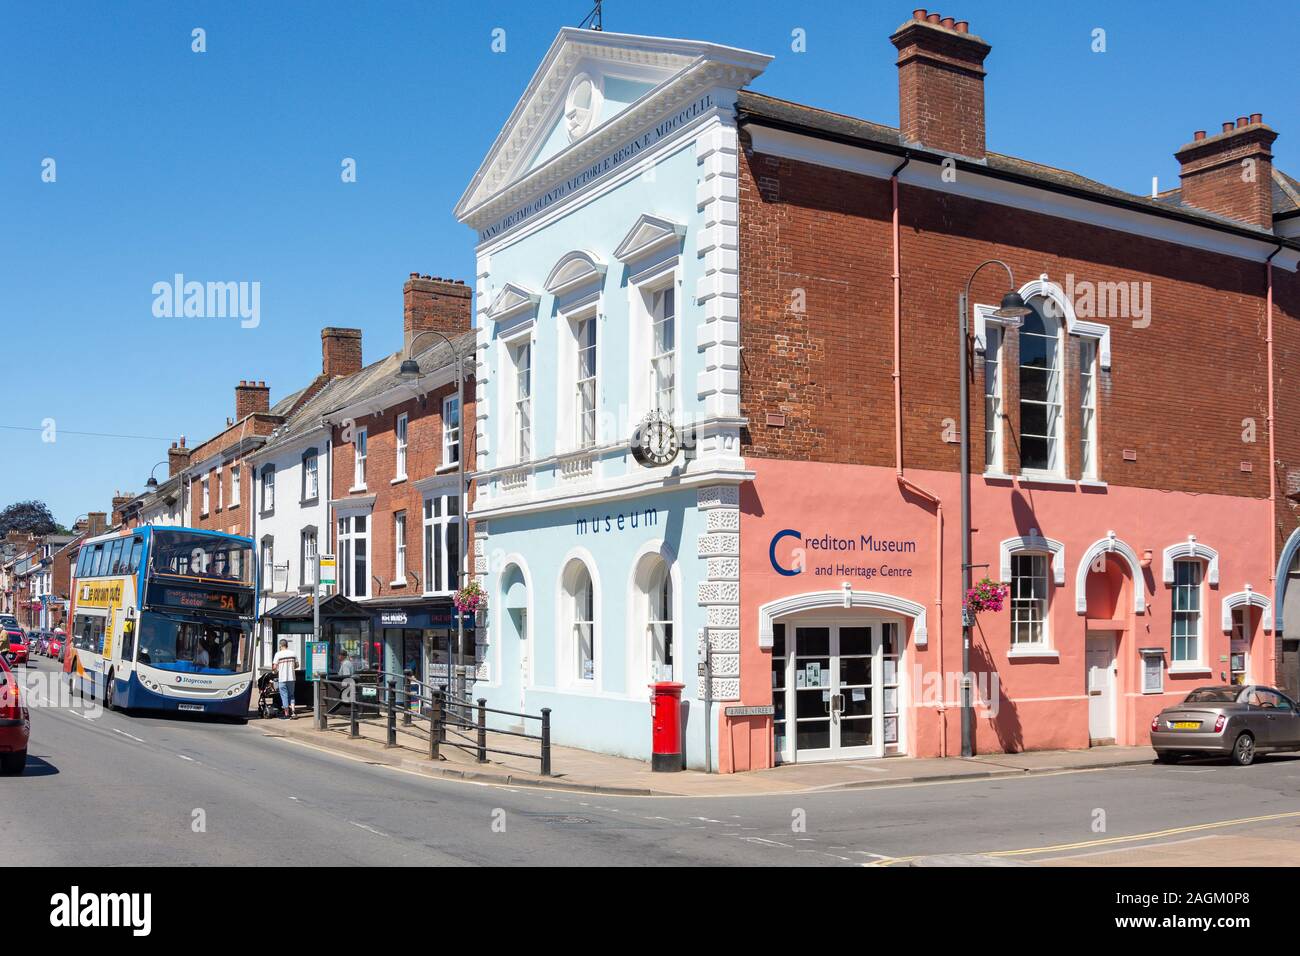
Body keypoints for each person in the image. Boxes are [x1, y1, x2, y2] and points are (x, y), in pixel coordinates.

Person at [272, 639, 298, 719]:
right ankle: (293, 712)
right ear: (287, 645)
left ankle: (286, 714)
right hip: (291, 678)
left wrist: (275, 671)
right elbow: (297, 665)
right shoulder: (293, 653)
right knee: (291, 695)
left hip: (282, 678)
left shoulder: (278, 654)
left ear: (280, 645)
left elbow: (274, 667)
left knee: (284, 696)